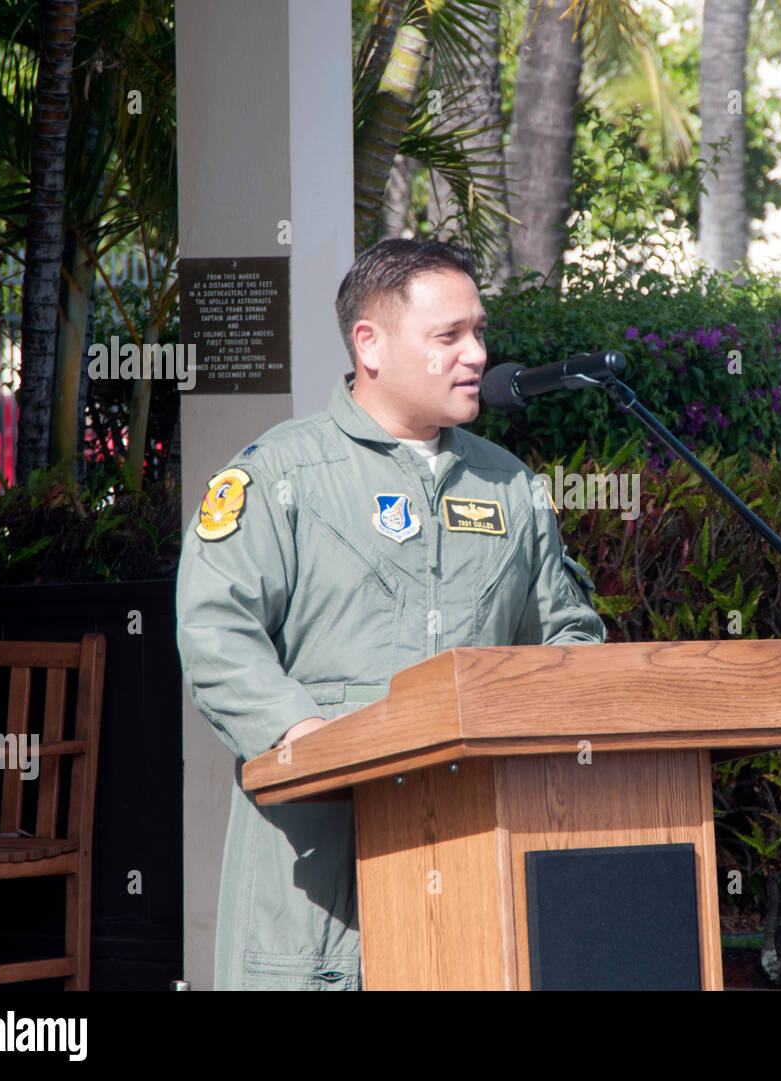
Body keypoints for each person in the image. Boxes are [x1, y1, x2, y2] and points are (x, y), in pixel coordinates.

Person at [176, 239, 606, 990]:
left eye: (479, 331)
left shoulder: (509, 487)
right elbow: (216, 626)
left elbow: (566, 632)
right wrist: (301, 735)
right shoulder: (281, 474)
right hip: (318, 865)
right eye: (449, 336)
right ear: (368, 344)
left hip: (475, 851)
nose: (475, 353)